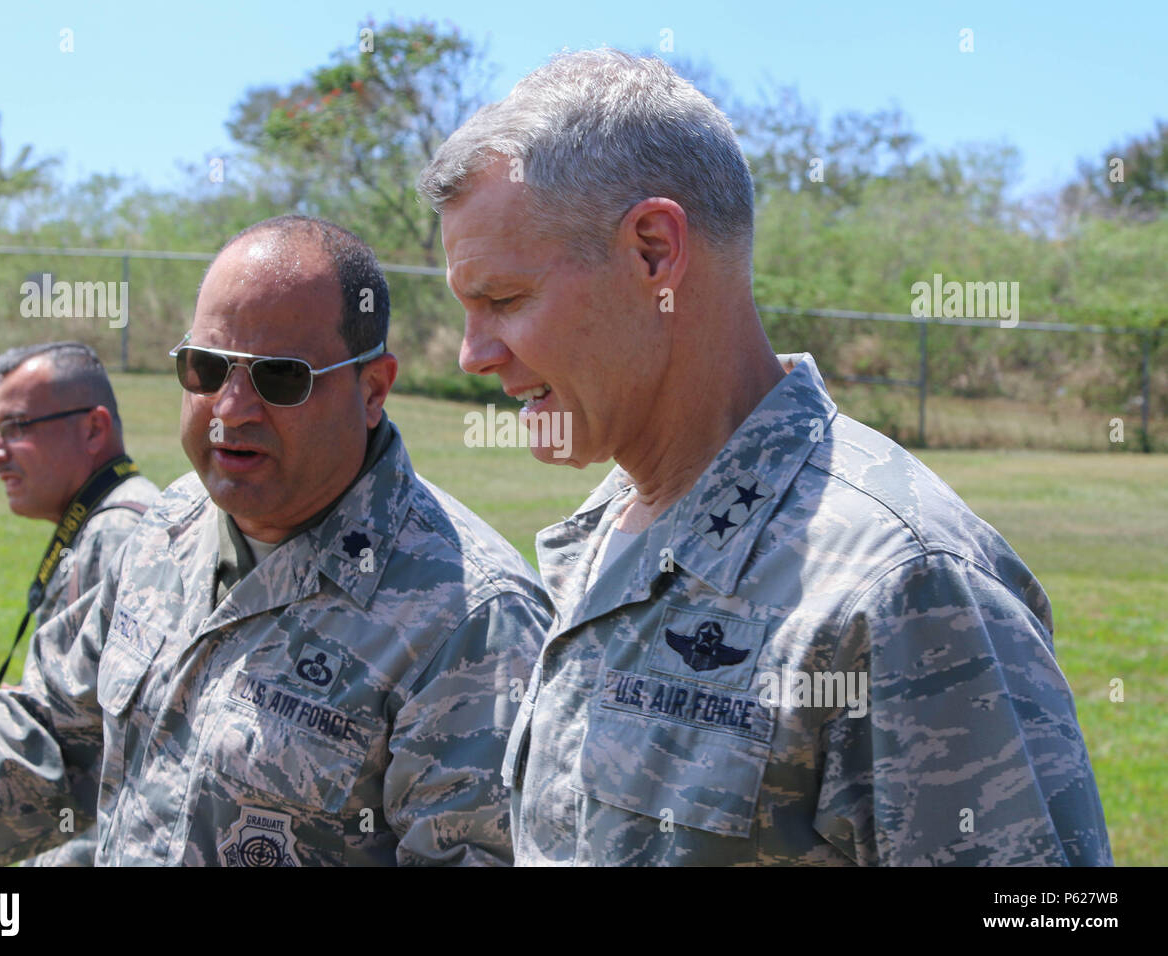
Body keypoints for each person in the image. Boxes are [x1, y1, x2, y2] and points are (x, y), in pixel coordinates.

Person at [418, 48, 1113, 866]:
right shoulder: (602, 534)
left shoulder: (902, 585)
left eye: (503, 300)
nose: (471, 354)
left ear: (652, 252)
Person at [0, 215, 551, 866]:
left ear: (371, 389)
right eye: (206, 368)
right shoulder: (163, 532)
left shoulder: (474, 621)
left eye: (280, 377)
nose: (231, 409)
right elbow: (51, 734)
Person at [0, 340, 161, 866]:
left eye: (15, 427)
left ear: (93, 429)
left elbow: (110, 752)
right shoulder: (106, 522)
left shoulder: (120, 535)